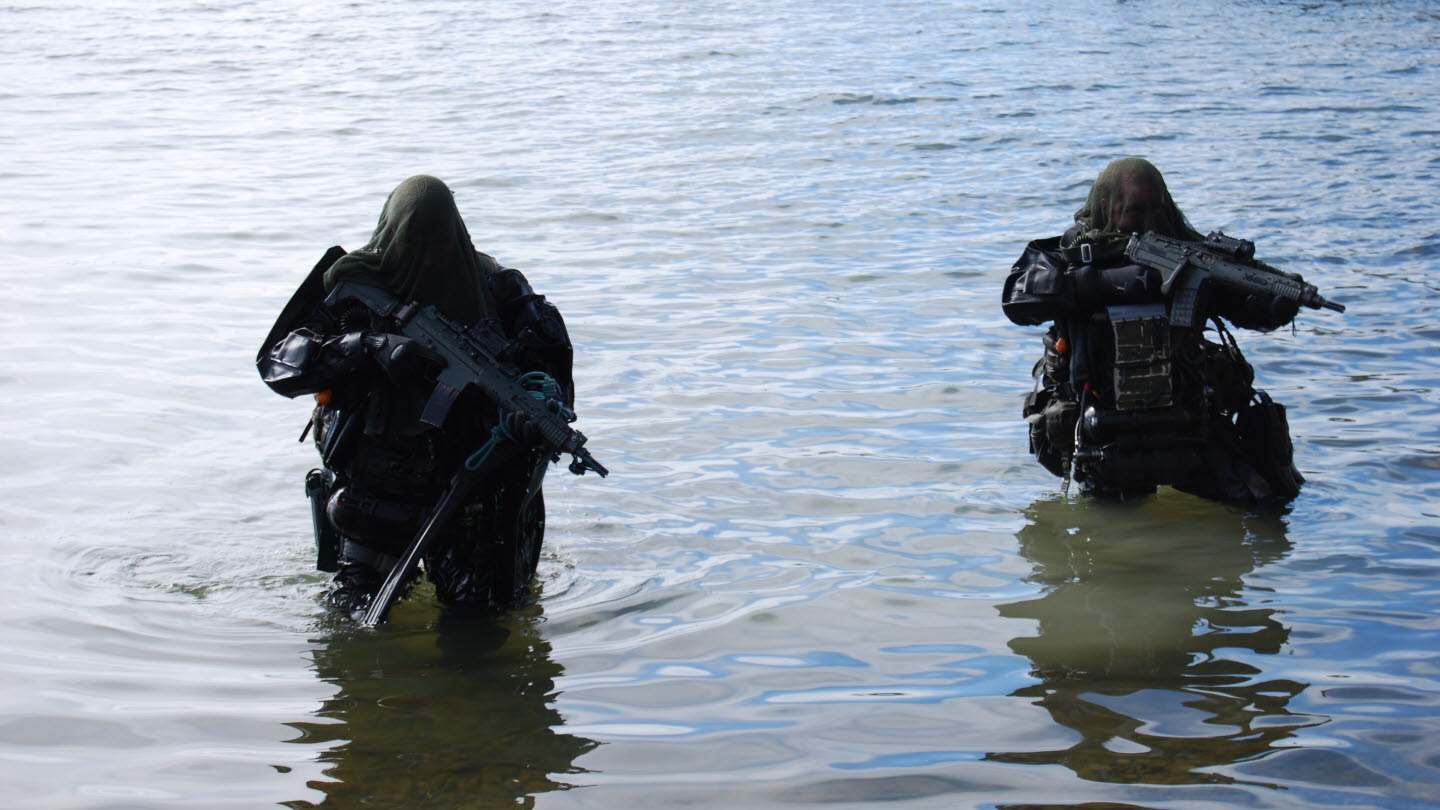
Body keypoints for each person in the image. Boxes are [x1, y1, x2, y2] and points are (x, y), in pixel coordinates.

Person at [258, 175, 576, 615]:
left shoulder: (501, 292)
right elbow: (281, 366)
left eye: (438, 241)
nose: (426, 258)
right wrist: (368, 347)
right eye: (413, 240)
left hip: (472, 495)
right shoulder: (355, 285)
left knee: (479, 633)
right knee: (349, 616)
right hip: (375, 492)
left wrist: (529, 424)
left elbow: (552, 383)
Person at [1001, 158, 1305, 504]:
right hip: (1103, 429)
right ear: (1107, 206)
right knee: (1112, 541)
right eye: (1136, 211)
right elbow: (1018, 299)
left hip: (1187, 425)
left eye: (1156, 211)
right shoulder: (1072, 254)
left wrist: (1275, 304)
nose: (1148, 223)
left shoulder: (1187, 259)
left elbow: (1244, 308)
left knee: (1268, 503)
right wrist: (1108, 282)